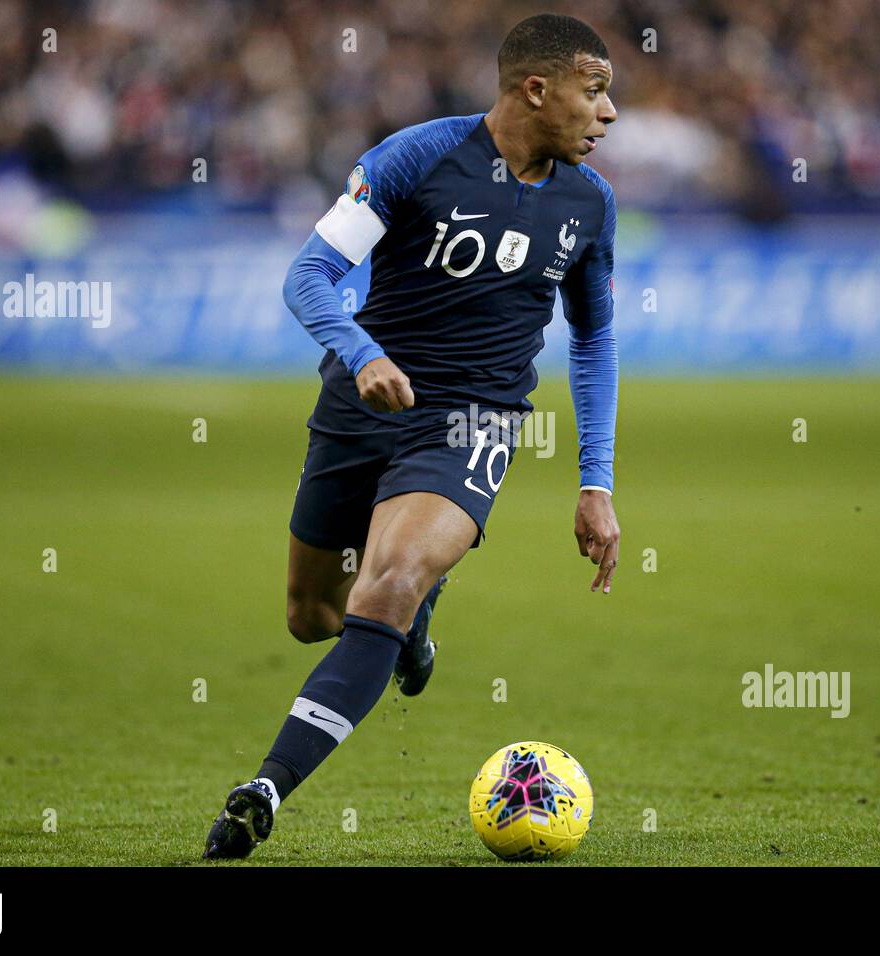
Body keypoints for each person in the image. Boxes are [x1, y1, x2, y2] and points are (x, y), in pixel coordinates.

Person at [205, 13, 621, 859]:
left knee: (386, 583)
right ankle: (418, 620)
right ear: (536, 90)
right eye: (595, 92)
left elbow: (593, 338)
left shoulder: (591, 204)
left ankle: (266, 787)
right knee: (312, 614)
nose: (608, 115)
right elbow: (310, 276)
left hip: (475, 420)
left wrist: (596, 479)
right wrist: (362, 355)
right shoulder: (416, 158)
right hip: (364, 403)